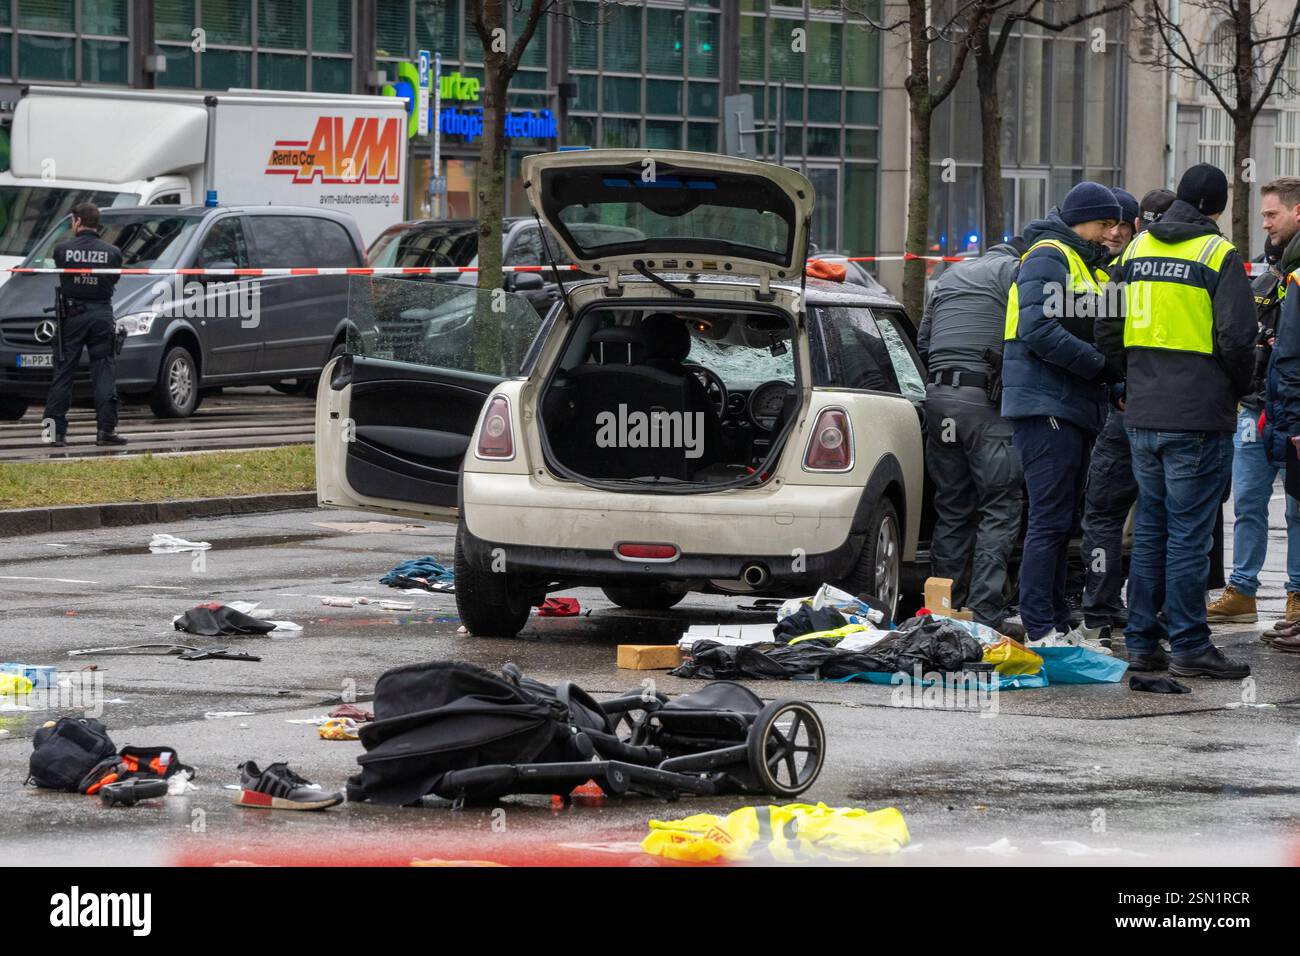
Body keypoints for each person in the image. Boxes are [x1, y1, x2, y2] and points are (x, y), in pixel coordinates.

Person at [1109, 164, 1256, 678]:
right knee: (1190, 534)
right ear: (1217, 206)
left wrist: (1123, 384)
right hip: (1197, 414)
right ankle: (1191, 644)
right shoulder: (1217, 254)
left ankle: (1142, 642)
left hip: (1144, 414)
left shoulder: (1137, 249)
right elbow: (1238, 338)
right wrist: (1240, 387)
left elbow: (1109, 322)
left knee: (1151, 529)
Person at [1001, 182, 1118, 650]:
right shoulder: (1050, 254)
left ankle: (1055, 617)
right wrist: (1099, 367)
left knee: (1060, 518)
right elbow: (1037, 328)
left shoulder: (1084, 264)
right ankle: (1038, 625)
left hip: (1067, 404)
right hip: (1045, 403)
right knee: (1049, 519)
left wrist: (1113, 379)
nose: (1111, 233)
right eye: (1104, 223)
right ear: (1080, 220)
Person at [1071, 188, 1176, 652]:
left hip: (1129, 408)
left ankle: (1100, 611)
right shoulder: (1208, 262)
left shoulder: (1125, 267)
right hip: (1180, 412)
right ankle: (1159, 617)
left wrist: (1118, 385)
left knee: (1105, 513)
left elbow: (1107, 332)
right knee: (1170, 517)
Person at [917, 238, 1027, 634]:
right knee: (998, 506)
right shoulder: (1017, 273)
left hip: (940, 401)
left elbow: (924, 344)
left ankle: (943, 611)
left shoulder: (951, 274)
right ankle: (984, 616)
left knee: (953, 506)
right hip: (985, 405)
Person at [1207, 177, 1300, 624]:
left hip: (1291, 411)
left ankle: (1296, 595)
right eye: (1262, 215)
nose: (1265, 224)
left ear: (1296, 211)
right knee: (1246, 503)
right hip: (1254, 409)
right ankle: (1242, 590)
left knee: (1297, 508)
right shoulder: (1264, 275)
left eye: (1271, 214)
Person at [42, 202, 126, 447]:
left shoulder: (62, 249)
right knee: (104, 372)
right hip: (100, 315)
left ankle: (54, 433)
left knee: (64, 372)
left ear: (77, 221)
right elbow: (114, 279)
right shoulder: (113, 252)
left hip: (72, 315)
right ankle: (106, 431)